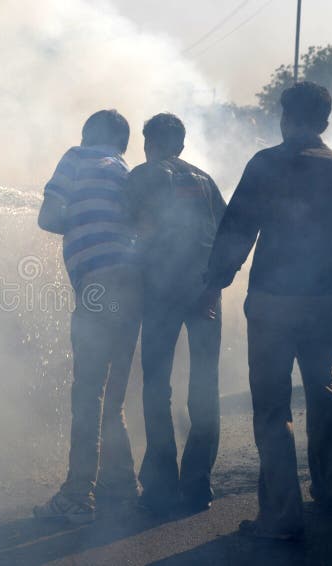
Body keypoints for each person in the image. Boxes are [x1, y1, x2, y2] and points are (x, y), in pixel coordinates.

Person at [204, 82, 332, 540]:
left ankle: (280, 517)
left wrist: (214, 281)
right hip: (323, 301)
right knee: (324, 389)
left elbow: (238, 228)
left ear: (284, 116)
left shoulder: (268, 163)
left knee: (273, 406)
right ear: (326, 122)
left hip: (274, 300)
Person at [33, 110, 142, 524]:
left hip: (98, 285)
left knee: (87, 393)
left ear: (88, 134)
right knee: (113, 394)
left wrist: (74, 222)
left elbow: (48, 216)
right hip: (132, 285)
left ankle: (78, 495)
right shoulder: (126, 171)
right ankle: (120, 485)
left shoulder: (76, 157)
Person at [126, 113, 226, 514]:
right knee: (204, 388)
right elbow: (230, 235)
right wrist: (214, 287)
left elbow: (132, 229)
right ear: (181, 145)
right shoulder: (206, 181)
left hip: (162, 293)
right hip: (205, 295)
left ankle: (161, 485)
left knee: (156, 387)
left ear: (148, 142)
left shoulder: (144, 175)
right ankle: (198, 485)